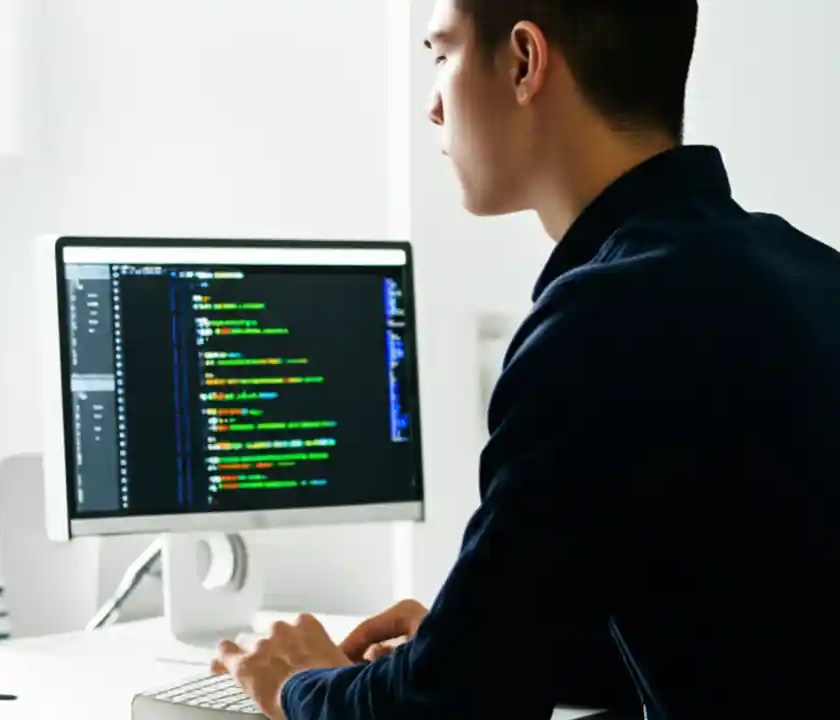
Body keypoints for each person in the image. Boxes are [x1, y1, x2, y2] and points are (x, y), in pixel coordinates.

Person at [211, 0, 840, 717]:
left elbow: (454, 711)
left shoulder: (602, 321)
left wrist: (296, 684)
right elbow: (753, 628)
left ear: (523, 62)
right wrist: (477, 637)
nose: (433, 107)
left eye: (442, 55)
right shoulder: (807, 271)